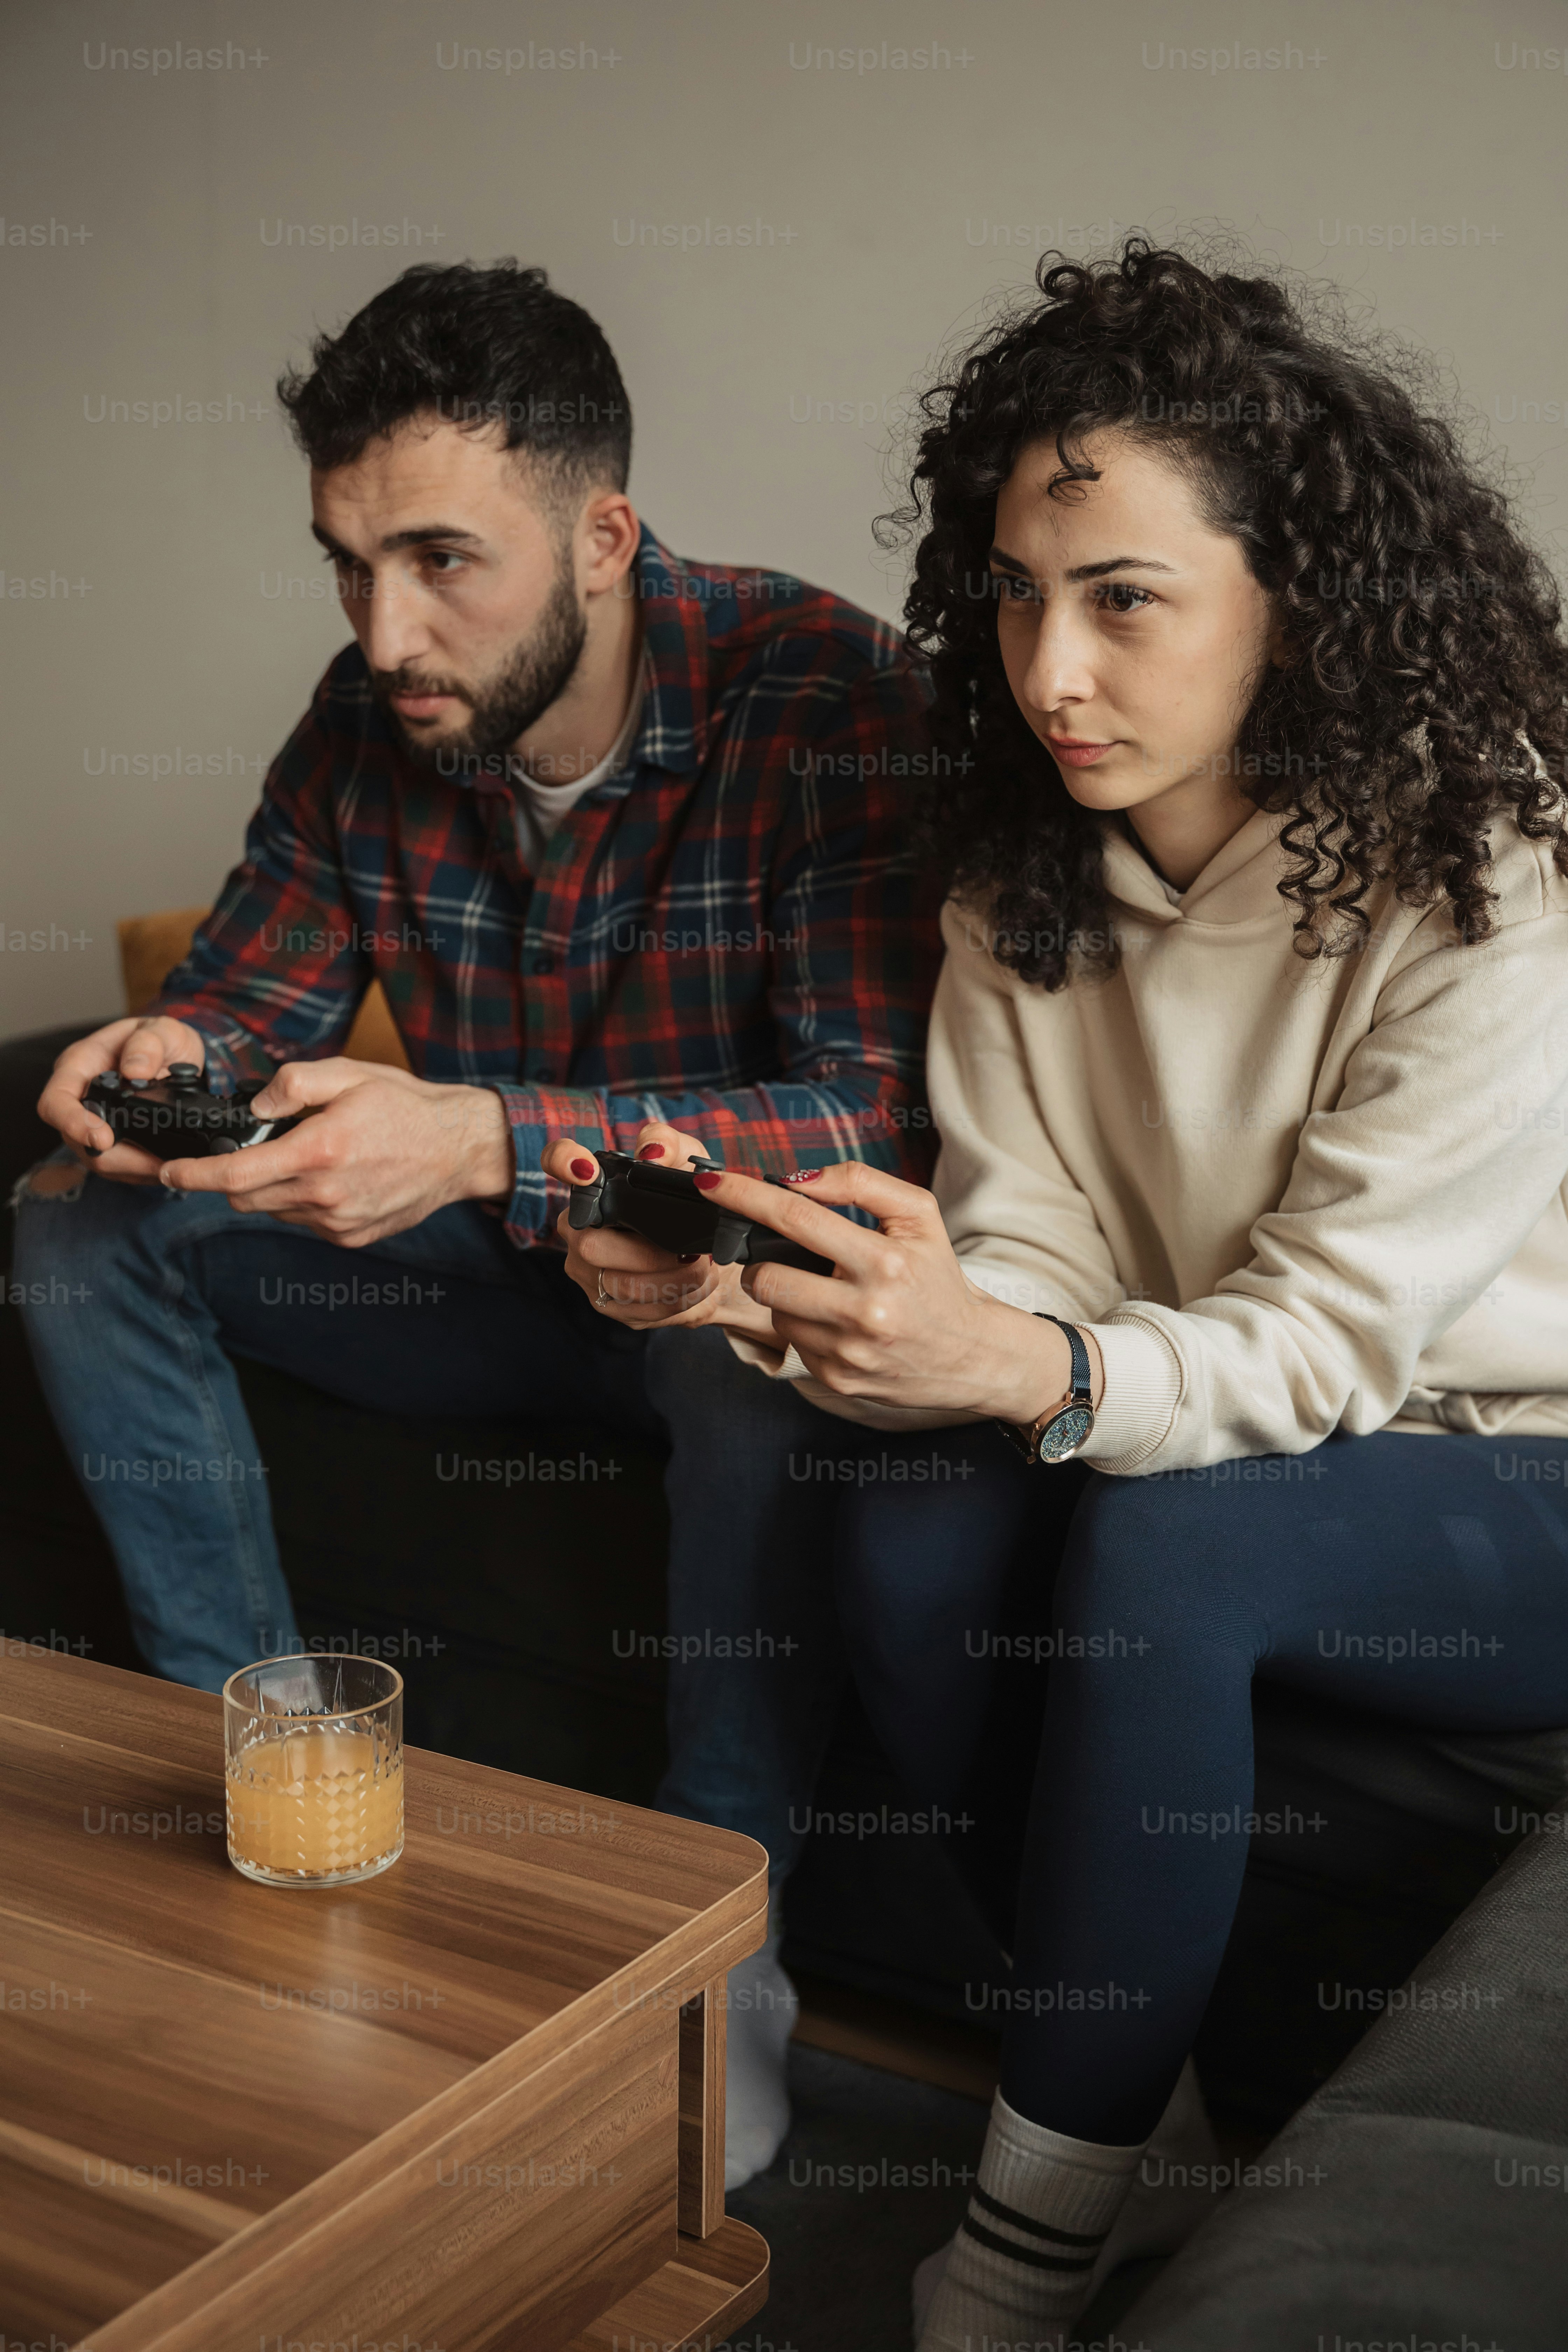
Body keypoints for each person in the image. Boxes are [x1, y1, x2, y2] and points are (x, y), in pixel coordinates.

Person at [549, 239, 1568, 2338]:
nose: (1050, 668)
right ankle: (1142, 2116)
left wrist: (1023, 1359)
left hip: (1509, 1471)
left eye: (1124, 600)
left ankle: (1018, 2258)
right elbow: (1033, 1248)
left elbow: (1324, 1341)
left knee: (1175, 1537)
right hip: (1212, 1413)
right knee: (908, 1509)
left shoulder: (1496, 870)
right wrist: (796, 1301)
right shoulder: (1024, 877)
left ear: (1301, 598)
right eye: (1015, 594)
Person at [12, 259, 944, 2188]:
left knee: (752, 1349)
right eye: (349, 565)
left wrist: (487, 1142)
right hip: (484, 1295)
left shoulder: (828, 697)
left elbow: (868, 1117)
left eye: (443, 560)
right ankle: (273, 1783)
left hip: (699, 1300)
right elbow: (253, 1001)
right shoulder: (370, 717)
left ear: (603, 536)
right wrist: (172, 1054)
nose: (387, 630)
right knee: (72, 1229)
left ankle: (722, 1946)